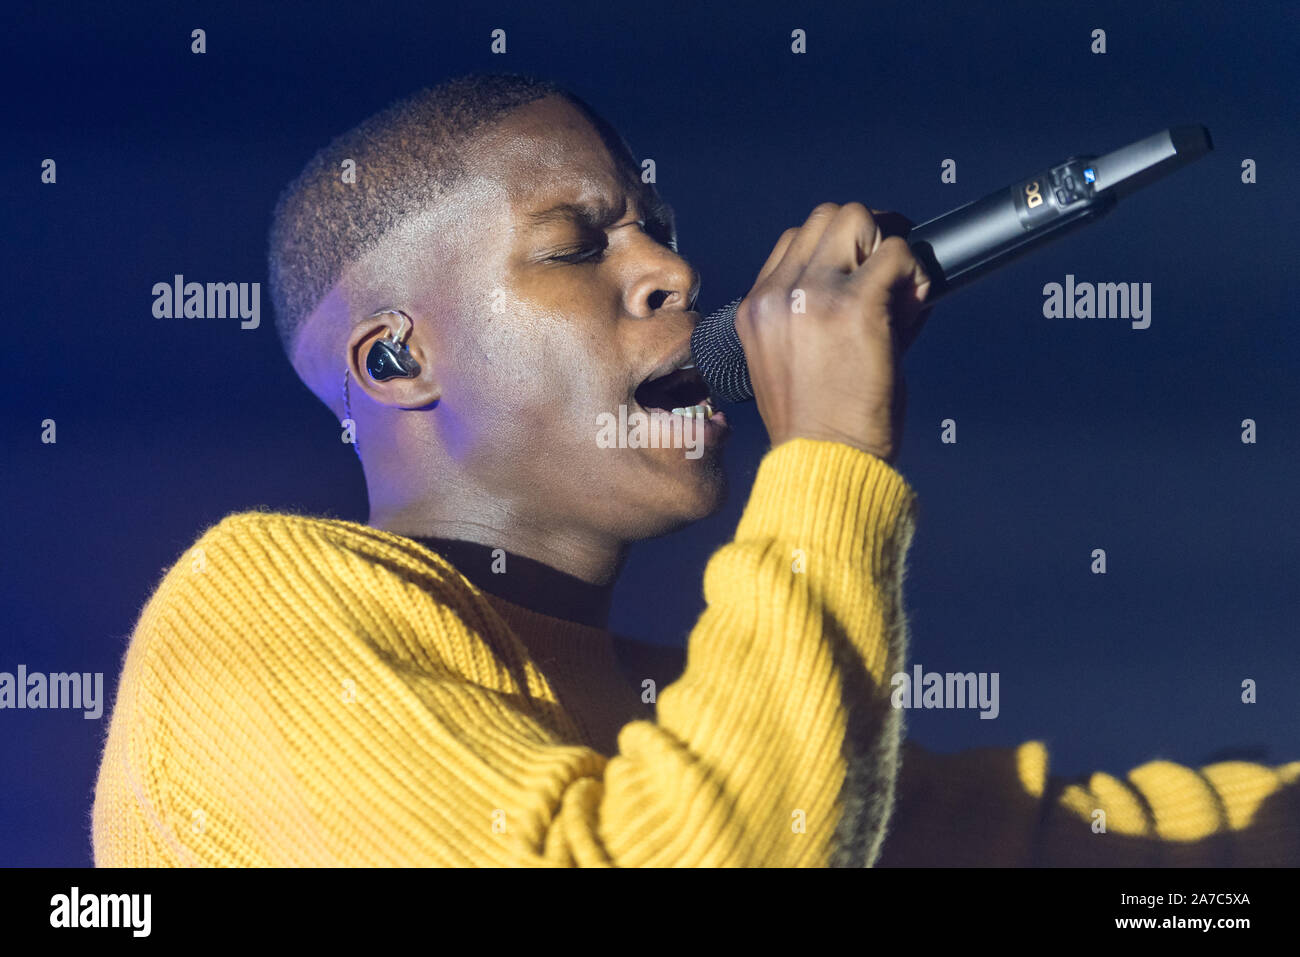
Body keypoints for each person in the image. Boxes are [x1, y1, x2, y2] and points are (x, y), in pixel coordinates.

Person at [92, 73, 1298, 866]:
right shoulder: (247, 615)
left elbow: (1080, 848)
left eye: (658, 230)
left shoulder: (681, 706)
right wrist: (829, 456)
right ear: (399, 355)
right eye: (577, 245)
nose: (670, 273)